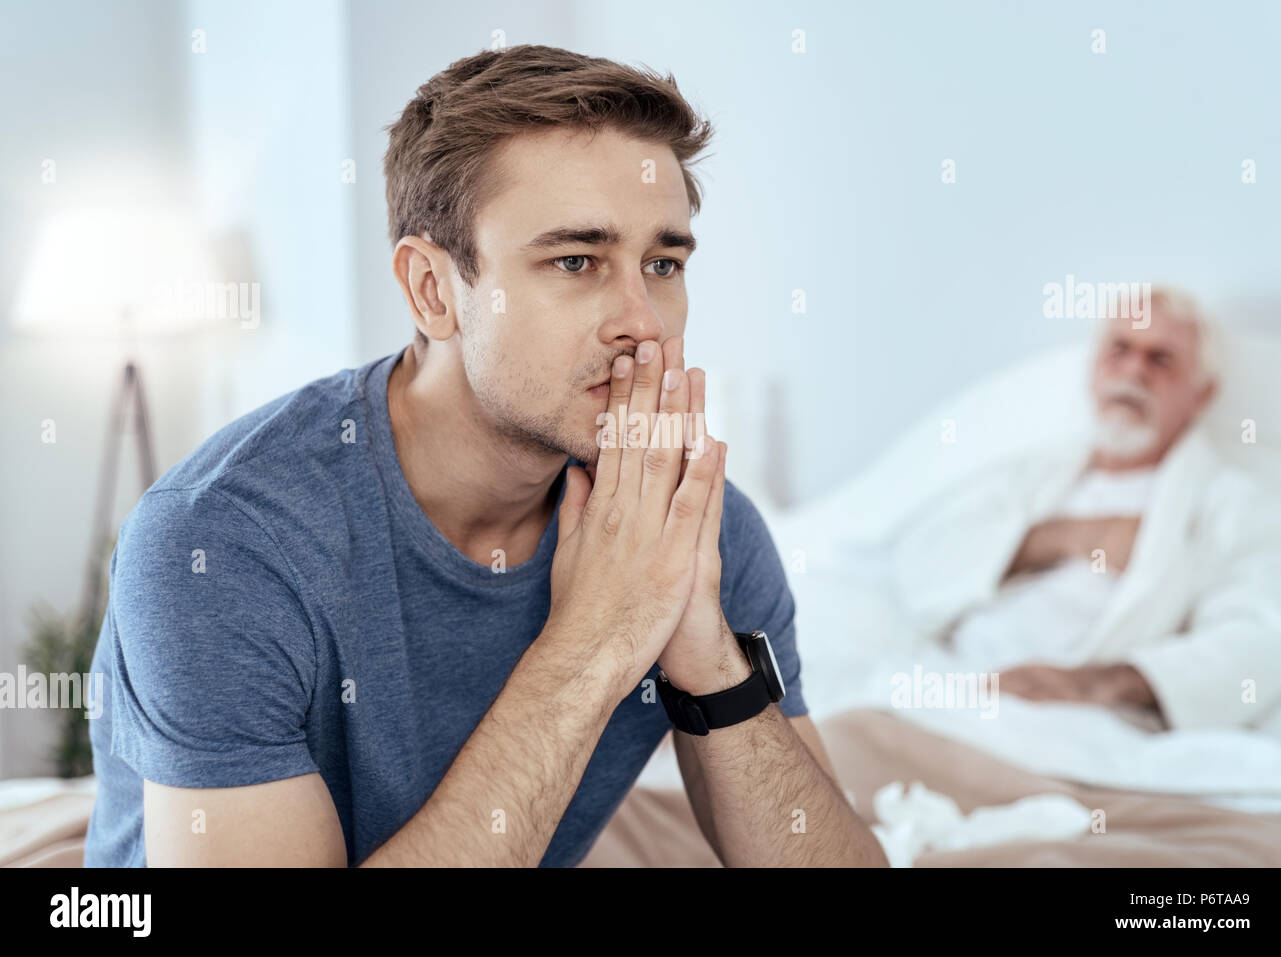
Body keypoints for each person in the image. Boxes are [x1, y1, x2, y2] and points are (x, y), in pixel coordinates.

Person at [84, 44, 886, 867]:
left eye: (663, 263)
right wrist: (592, 642)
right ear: (433, 290)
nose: (644, 322)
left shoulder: (687, 530)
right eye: (575, 261)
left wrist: (706, 654)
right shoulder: (220, 541)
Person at [890, 288, 1281, 730]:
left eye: (1160, 359)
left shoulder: (1235, 507)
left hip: (1075, 723)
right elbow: (922, 568)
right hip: (951, 685)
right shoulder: (1030, 476)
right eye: (1119, 349)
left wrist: (1097, 685)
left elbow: (1262, 639)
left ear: (1201, 396)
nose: (1134, 371)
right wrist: (1069, 537)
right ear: (1092, 371)